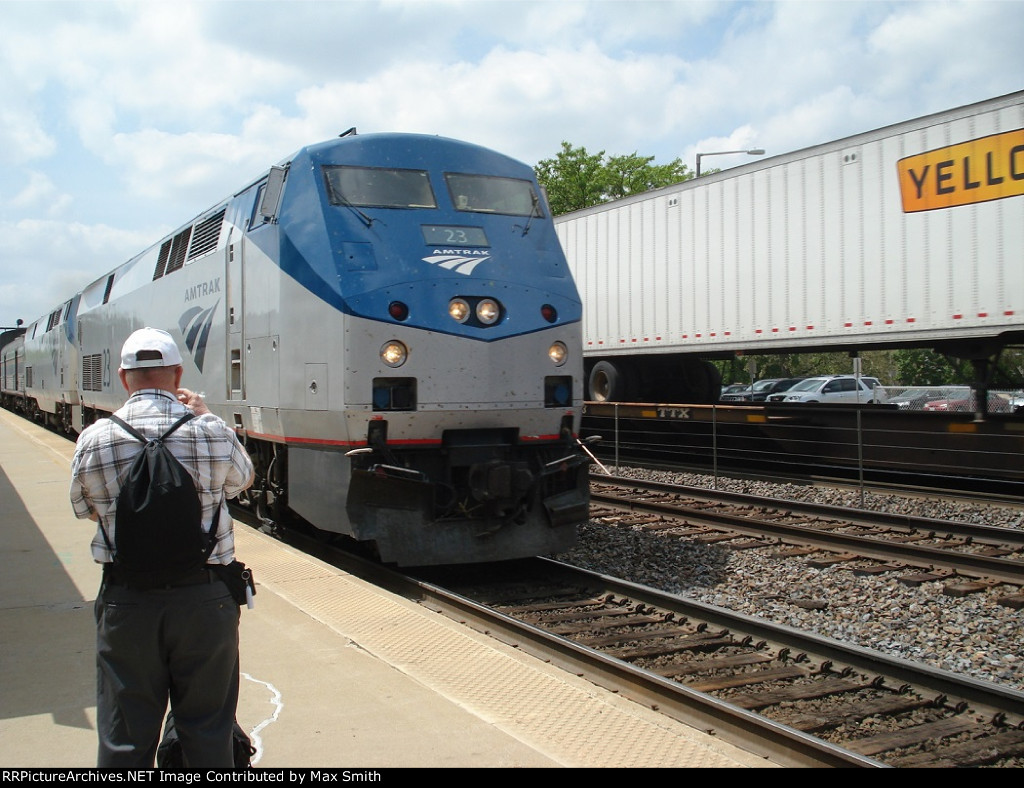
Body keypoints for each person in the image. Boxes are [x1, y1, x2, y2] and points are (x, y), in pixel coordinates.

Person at [70, 327, 255, 768]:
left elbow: (84, 506)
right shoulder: (209, 431)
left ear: (122, 377)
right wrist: (208, 416)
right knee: (208, 729)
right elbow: (243, 480)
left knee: (124, 738)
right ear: (177, 375)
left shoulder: (96, 438)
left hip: (128, 602)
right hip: (206, 600)